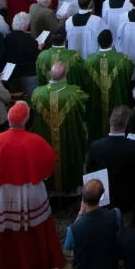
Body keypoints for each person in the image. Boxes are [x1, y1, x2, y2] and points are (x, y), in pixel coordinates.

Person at [0, 102, 67, 269]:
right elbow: (49, 164)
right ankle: (38, 266)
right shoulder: (35, 140)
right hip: (29, 193)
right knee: (34, 233)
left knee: (8, 234)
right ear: (27, 119)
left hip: (3, 194)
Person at [30, 61, 89, 193]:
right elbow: (84, 111)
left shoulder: (37, 93)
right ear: (65, 75)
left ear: (49, 74)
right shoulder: (75, 93)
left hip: (45, 137)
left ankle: (48, 189)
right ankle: (70, 187)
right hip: (67, 138)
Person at [65, 178, 121, 269]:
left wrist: (80, 213)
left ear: (83, 199)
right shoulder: (115, 214)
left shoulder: (73, 230)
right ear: (102, 195)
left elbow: (68, 246)